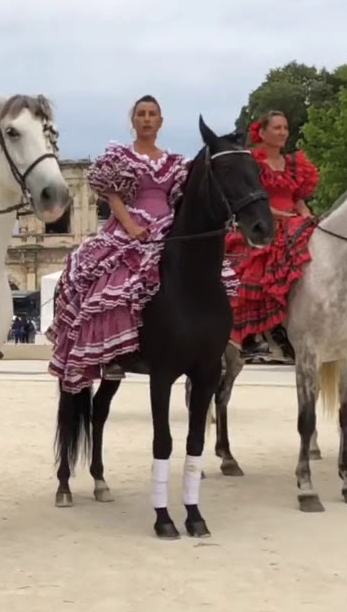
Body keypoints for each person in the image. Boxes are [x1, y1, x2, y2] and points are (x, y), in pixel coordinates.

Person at [47, 95, 237, 393]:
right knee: (114, 281)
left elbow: (182, 200)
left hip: (169, 225)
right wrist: (131, 226)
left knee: (206, 278)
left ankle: (212, 344)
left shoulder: (175, 163)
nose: (147, 119)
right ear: (133, 121)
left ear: (161, 122)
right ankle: (113, 353)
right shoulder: (120, 157)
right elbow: (112, 196)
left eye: (152, 114)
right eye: (141, 114)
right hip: (129, 224)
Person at [226, 111, 319, 358]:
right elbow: (251, 200)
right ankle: (257, 331)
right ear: (263, 133)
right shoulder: (252, 163)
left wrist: (305, 214)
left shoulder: (295, 164)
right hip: (262, 223)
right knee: (257, 267)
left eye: (285, 128)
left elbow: (298, 198)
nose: (283, 133)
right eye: (277, 128)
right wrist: (279, 215)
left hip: (294, 222)